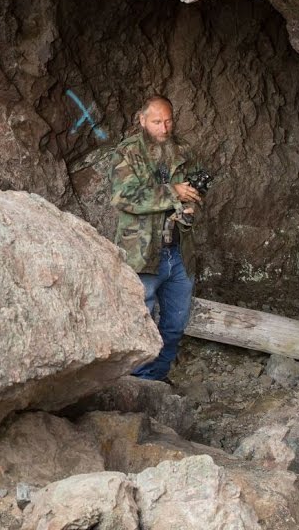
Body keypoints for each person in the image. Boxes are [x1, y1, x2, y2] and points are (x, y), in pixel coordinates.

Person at [109, 94, 205, 382]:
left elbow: (194, 193)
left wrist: (191, 205)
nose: (164, 128)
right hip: (142, 252)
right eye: (156, 122)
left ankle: (157, 378)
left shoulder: (183, 150)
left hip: (177, 250)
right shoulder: (128, 153)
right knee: (141, 325)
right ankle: (139, 384)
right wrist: (173, 193)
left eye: (168, 121)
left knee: (175, 324)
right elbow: (124, 197)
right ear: (141, 120)